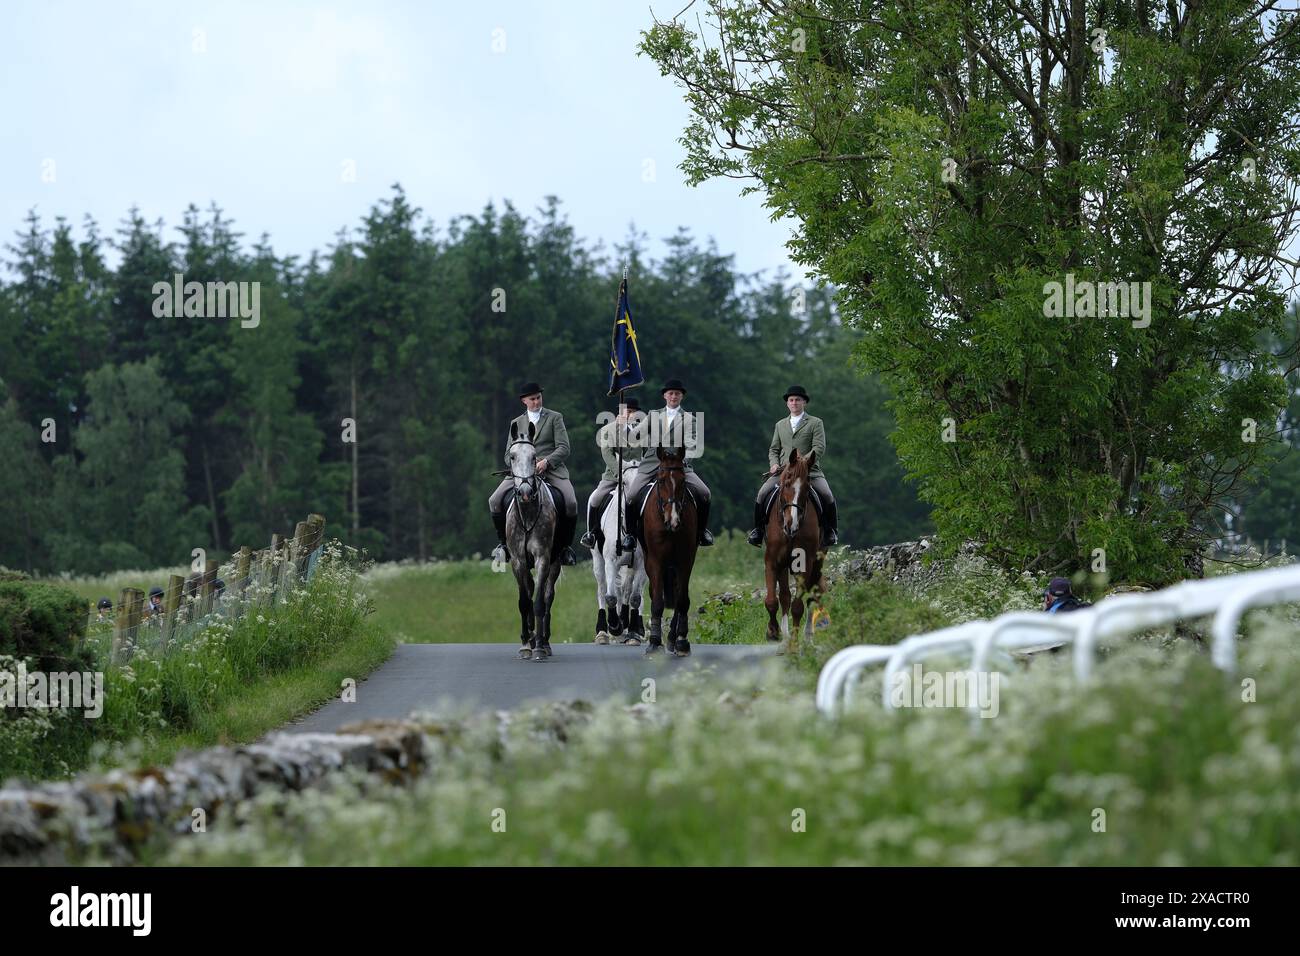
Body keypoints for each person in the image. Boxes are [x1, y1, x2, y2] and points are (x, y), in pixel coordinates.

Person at [488, 382, 579, 566]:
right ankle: (503, 546)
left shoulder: (555, 418)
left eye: (538, 398)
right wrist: (522, 465)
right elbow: (508, 455)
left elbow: (564, 448)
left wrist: (546, 461)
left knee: (571, 502)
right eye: (532, 399)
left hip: (551, 471)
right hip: (522, 473)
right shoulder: (516, 423)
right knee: (494, 500)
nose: (536, 402)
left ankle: (565, 549)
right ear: (524, 401)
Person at [621, 378, 713, 549]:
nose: (673, 396)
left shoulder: (689, 419)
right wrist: (625, 426)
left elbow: (691, 445)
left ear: (681, 397)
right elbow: (635, 436)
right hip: (652, 463)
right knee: (632, 495)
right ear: (664, 396)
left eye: (677, 393)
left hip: (678, 465)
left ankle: (701, 532)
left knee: (705, 493)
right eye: (670, 393)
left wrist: (683, 461)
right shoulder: (653, 415)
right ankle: (631, 535)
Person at [748, 385, 838, 546]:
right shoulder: (780, 425)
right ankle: (758, 530)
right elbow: (774, 449)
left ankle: (830, 530)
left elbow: (819, 447)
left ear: (804, 402)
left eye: (798, 400)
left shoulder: (816, 423)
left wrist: (803, 463)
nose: (794, 402)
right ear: (787, 404)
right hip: (783, 472)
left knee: (828, 495)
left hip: (810, 472)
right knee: (762, 494)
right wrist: (774, 464)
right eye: (791, 400)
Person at [579, 396, 645, 549]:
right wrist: (619, 473)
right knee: (595, 498)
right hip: (614, 475)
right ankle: (592, 533)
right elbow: (607, 454)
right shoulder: (608, 430)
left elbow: (648, 453)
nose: (630, 415)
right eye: (627, 412)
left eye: (633, 412)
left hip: (638, 475)